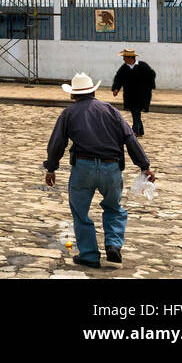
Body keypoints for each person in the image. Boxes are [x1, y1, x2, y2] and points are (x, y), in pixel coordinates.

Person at [44, 72, 154, 268]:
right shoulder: (110, 110)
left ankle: (89, 255)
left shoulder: (68, 113)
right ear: (93, 92)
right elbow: (130, 138)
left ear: (73, 95)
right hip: (111, 168)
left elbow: (57, 144)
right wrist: (144, 166)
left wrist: (51, 168)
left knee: (80, 212)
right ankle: (113, 244)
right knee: (114, 208)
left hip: (83, 167)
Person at [111, 49, 156, 137]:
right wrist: (116, 88)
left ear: (130, 58)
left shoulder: (142, 66)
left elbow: (151, 75)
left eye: (124, 57)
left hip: (141, 95)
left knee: (136, 111)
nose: (123, 59)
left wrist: (148, 87)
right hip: (130, 95)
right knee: (135, 112)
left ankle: (135, 130)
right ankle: (140, 130)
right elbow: (118, 78)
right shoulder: (124, 68)